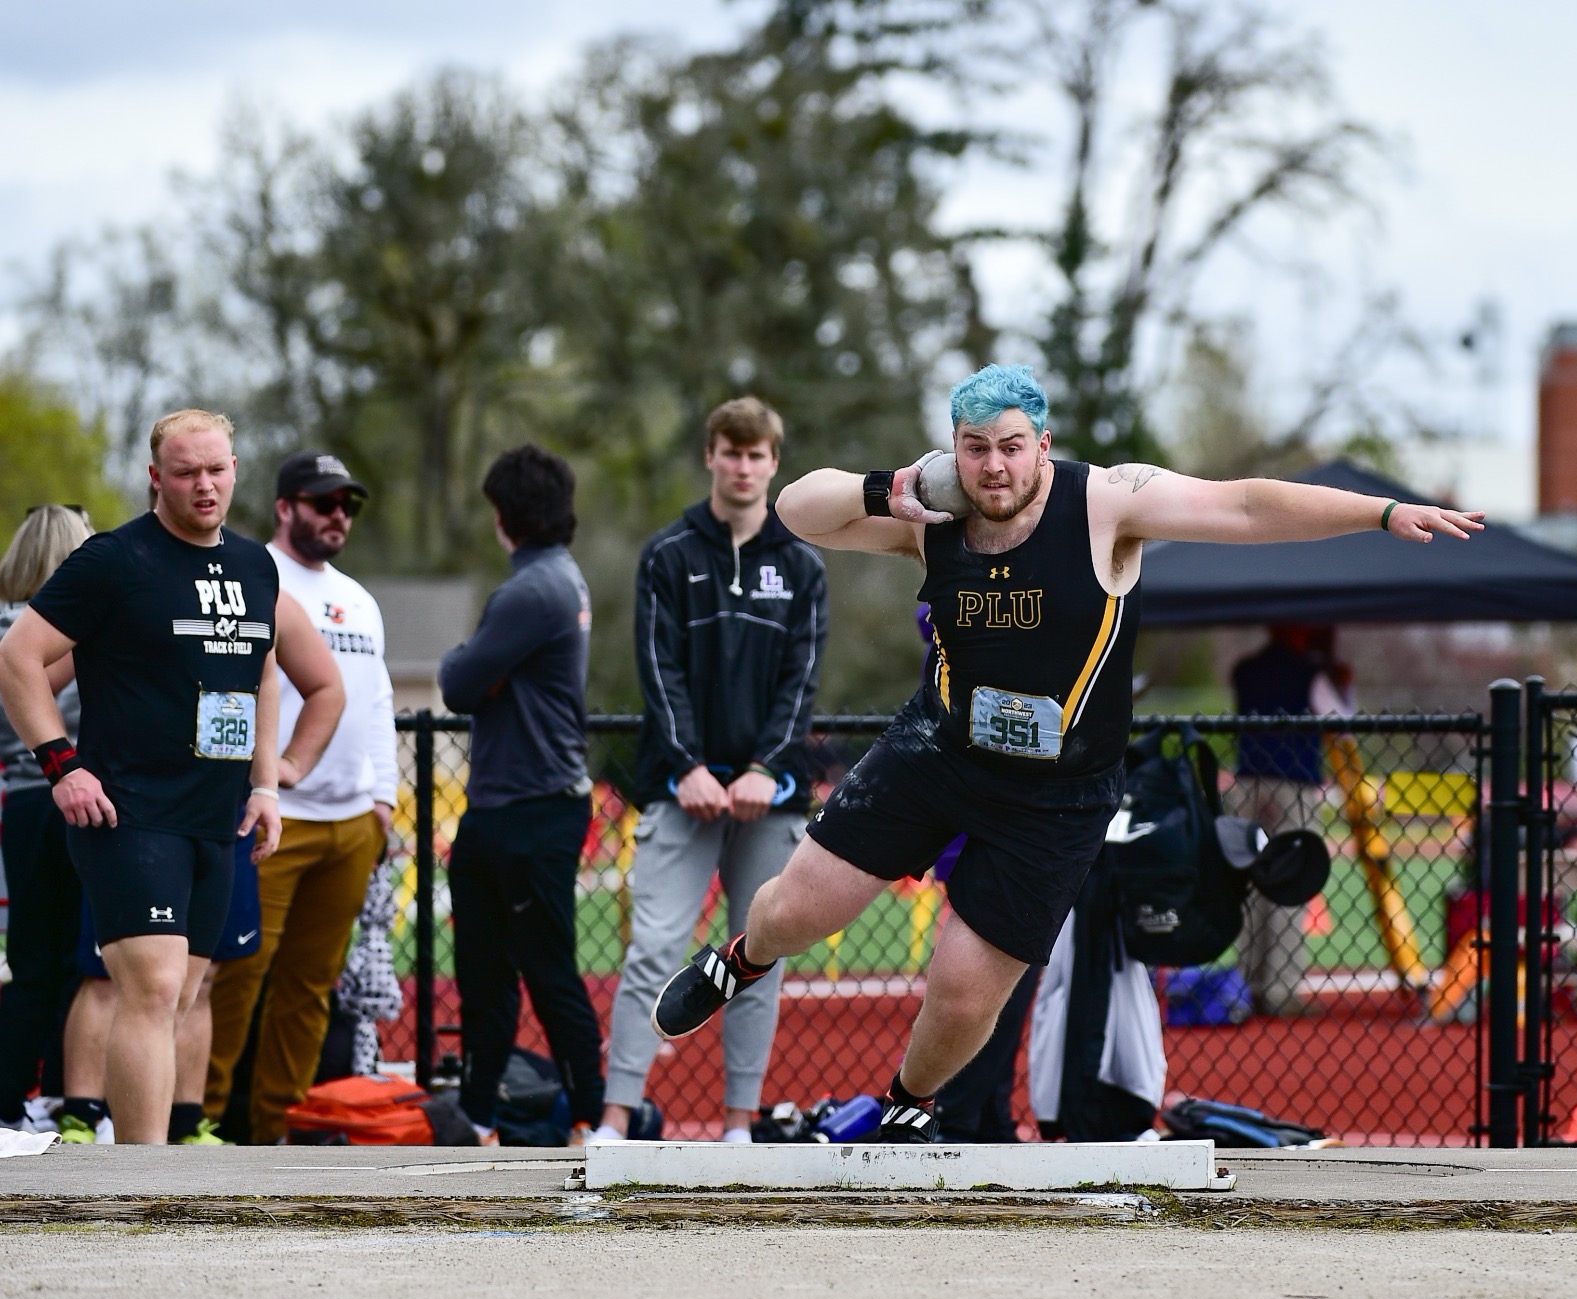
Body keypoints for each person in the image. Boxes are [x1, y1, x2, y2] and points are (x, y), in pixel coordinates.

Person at [648, 362, 1482, 1142]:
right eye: (975, 451)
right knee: (794, 911)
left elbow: (1243, 507)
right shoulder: (932, 516)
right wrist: (893, 486)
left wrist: (1376, 512)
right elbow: (797, 508)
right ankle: (739, 962)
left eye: (1012, 447)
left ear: (1042, 446)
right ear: (955, 452)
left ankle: (905, 1105)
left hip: (1058, 794)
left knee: (964, 994)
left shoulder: (1107, 504)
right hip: (937, 748)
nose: (995, 469)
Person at [0, 409, 289, 1144]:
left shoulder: (257, 566)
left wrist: (265, 786)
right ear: (156, 477)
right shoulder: (112, 560)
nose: (204, 484)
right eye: (186, 471)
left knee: (184, 992)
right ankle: (141, 1174)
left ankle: (162, 1168)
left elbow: (261, 675)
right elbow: (19, 657)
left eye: (216, 469)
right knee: (153, 989)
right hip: (128, 813)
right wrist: (60, 763)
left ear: (235, 471)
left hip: (215, 817)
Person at [603, 398, 827, 1142]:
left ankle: (738, 1124)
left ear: (773, 463)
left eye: (756, 454)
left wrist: (764, 768)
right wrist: (690, 766)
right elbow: (657, 670)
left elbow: (802, 679)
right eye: (730, 452)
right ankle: (614, 1117)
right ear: (711, 456)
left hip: (772, 800)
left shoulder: (802, 565)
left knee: (756, 956)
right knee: (654, 948)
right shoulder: (668, 556)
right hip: (681, 791)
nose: (742, 466)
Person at [204, 451, 396, 1142]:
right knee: (237, 975)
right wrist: (272, 773)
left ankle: (274, 1131)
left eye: (348, 503)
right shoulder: (251, 574)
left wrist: (385, 798)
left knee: (311, 990)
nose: (338, 515)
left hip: (350, 819)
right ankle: (199, 1118)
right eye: (323, 502)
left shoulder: (358, 598)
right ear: (285, 506)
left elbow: (376, 700)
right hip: (275, 818)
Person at [438, 444, 605, 1147]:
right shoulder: (560, 579)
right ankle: (482, 1114)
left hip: (531, 807)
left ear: (504, 515)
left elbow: (457, 682)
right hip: (511, 806)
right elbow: (482, 676)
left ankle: (590, 1119)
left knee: (539, 968)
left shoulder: (531, 589)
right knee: (486, 971)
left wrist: (467, 660)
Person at [0, 505, 93, 1133]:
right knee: (80, 963)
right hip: (78, 793)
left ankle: (12, 1100)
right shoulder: (79, 627)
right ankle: (63, 1094)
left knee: (31, 960)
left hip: (23, 800)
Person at [1229, 624, 1346, 1016]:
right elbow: (1341, 720)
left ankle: (1245, 985)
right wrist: (1341, 683)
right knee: (1290, 885)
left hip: (1248, 779)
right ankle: (1280, 990)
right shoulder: (1309, 673)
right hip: (1293, 782)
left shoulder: (1246, 669)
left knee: (1249, 883)